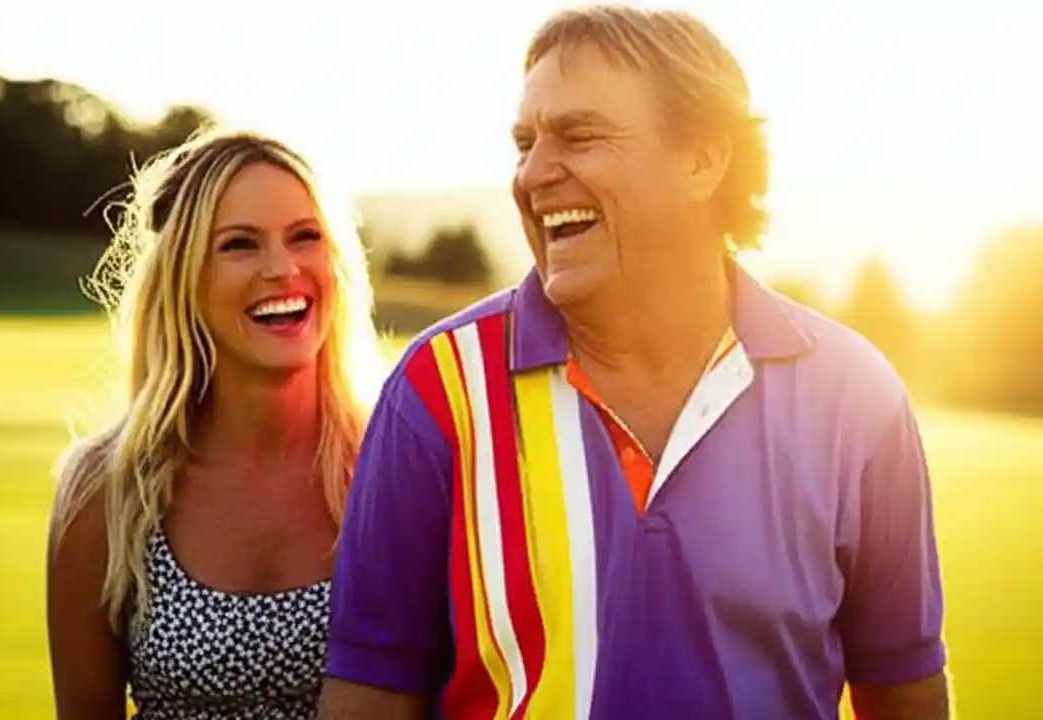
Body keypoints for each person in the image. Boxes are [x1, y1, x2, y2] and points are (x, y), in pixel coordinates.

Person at [319, 6, 949, 719]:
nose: (533, 174)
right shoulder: (439, 389)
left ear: (704, 158)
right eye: (525, 142)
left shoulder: (855, 397)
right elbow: (372, 690)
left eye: (579, 136)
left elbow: (904, 687)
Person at [47, 127, 384, 720]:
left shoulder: (395, 464)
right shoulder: (107, 491)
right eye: (239, 245)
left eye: (305, 237)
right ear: (184, 280)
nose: (283, 269)